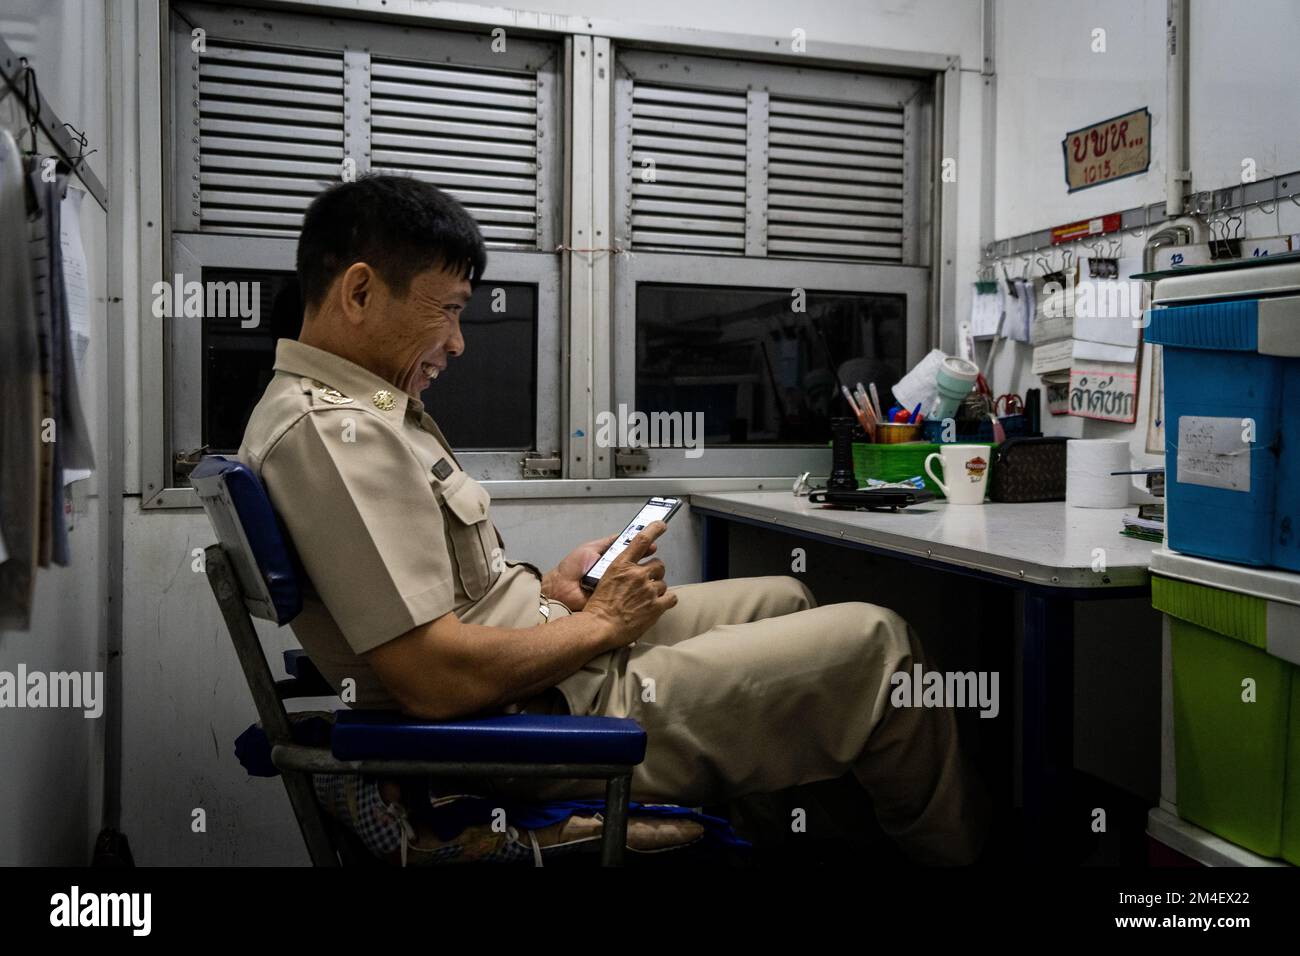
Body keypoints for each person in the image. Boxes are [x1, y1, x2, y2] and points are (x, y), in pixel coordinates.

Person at [238, 174, 986, 864]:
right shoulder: (332, 434)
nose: (458, 343)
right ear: (360, 292)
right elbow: (430, 680)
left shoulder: (362, 414)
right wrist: (600, 627)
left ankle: (780, 836)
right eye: (449, 311)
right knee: (881, 647)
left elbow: (444, 601)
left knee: (785, 598)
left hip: (532, 667)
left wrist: (555, 594)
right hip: (524, 724)